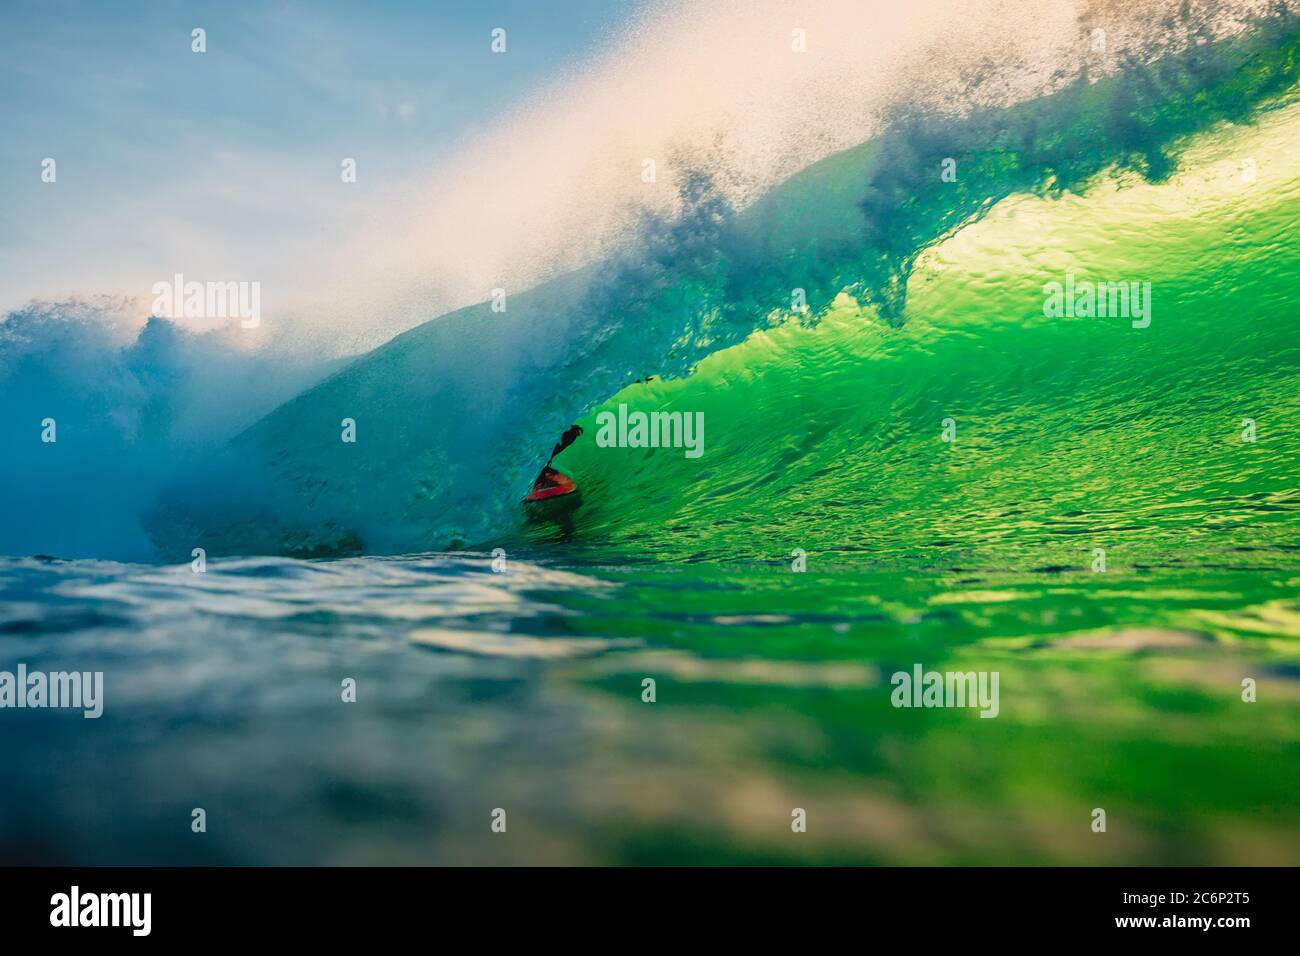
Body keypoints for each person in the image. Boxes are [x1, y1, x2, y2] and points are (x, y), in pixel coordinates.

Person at [526, 424, 583, 502]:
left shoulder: (560, 443)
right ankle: (535, 485)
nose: (571, 442)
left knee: (568, 475)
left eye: (573, 439)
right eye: (572, 439)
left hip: (539, 464)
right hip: (530, 468)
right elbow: (540, 459)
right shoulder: (558, 444)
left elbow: (546, 459)